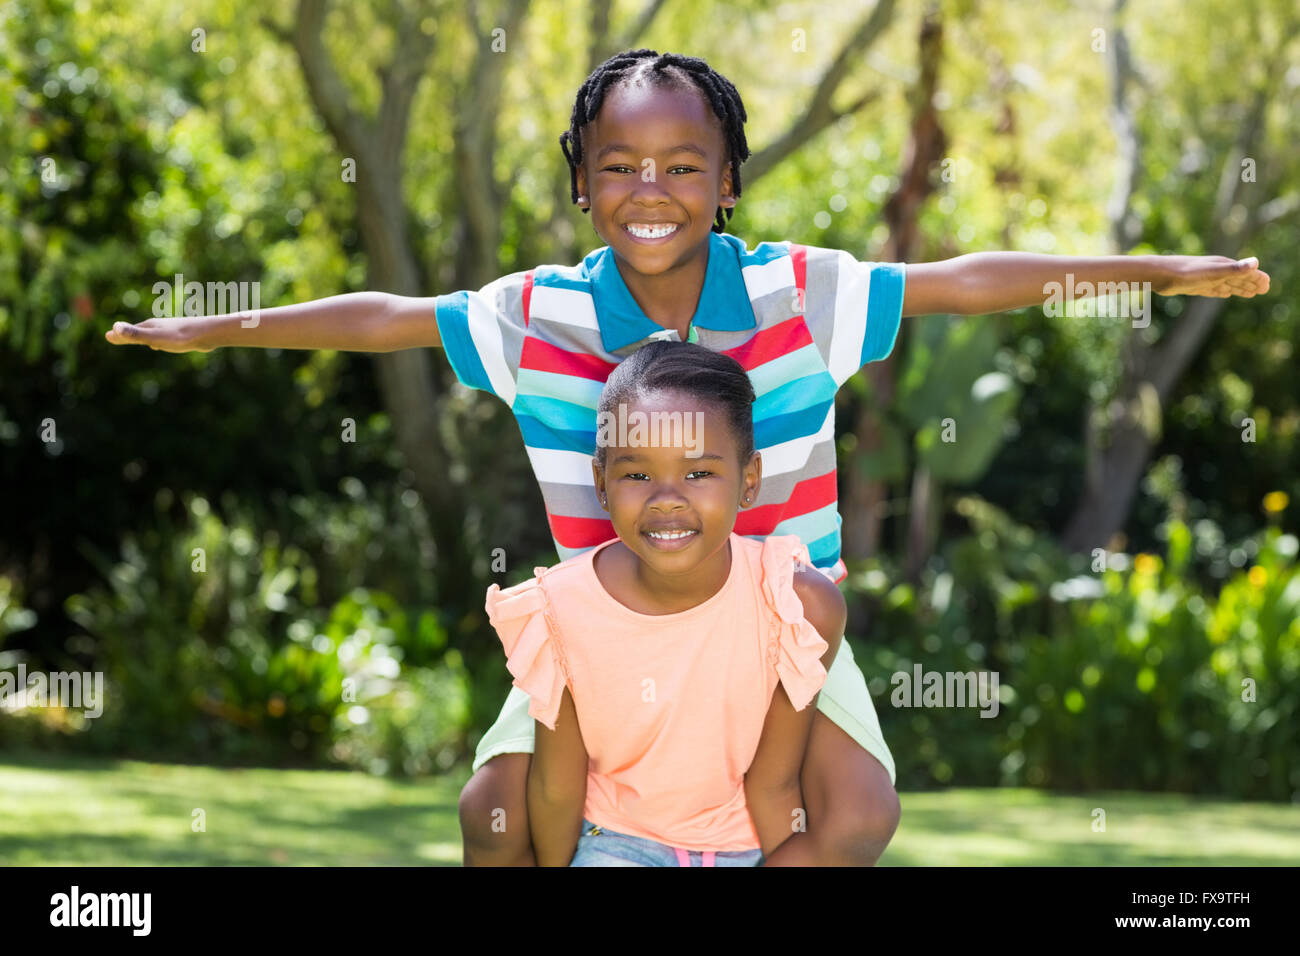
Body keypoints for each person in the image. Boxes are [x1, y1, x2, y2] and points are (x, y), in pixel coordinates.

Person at [105, 49, 1270, 866]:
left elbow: (965, 281)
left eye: (680, 166)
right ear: (580, 181)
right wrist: (216, 325)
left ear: (725, 182)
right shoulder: (535, 314)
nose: (648, 190)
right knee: (494, 813)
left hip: (777, 629)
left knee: (856, 811)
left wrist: (1157, 274)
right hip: (606, 631)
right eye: (617, 165)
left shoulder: (796, 291)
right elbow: (384, 313)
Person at [489, 340, 843, 866]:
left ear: (749, 481)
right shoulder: (557, 610)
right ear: (601, 484)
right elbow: (557, 788)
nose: (667, 498)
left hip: (741, 849)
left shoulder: (795, 604)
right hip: (614, 842)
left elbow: (774, 782)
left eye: (698, 473)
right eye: (637, 474)